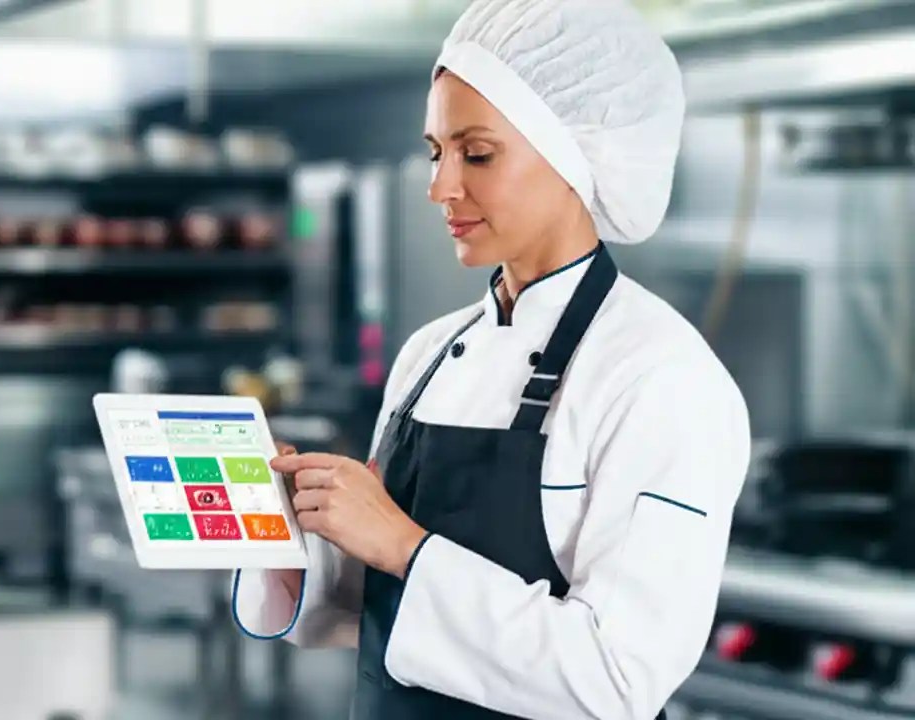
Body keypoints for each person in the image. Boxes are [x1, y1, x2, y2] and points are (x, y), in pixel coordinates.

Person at [230, 1, 752, 718]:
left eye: (476, 154)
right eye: (435, 151)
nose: (440, 187)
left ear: (577, 154)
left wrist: (407, 548)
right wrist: (294, 533)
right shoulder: (428, 355)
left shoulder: (661, 377)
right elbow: (387, 611)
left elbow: (617, 678)